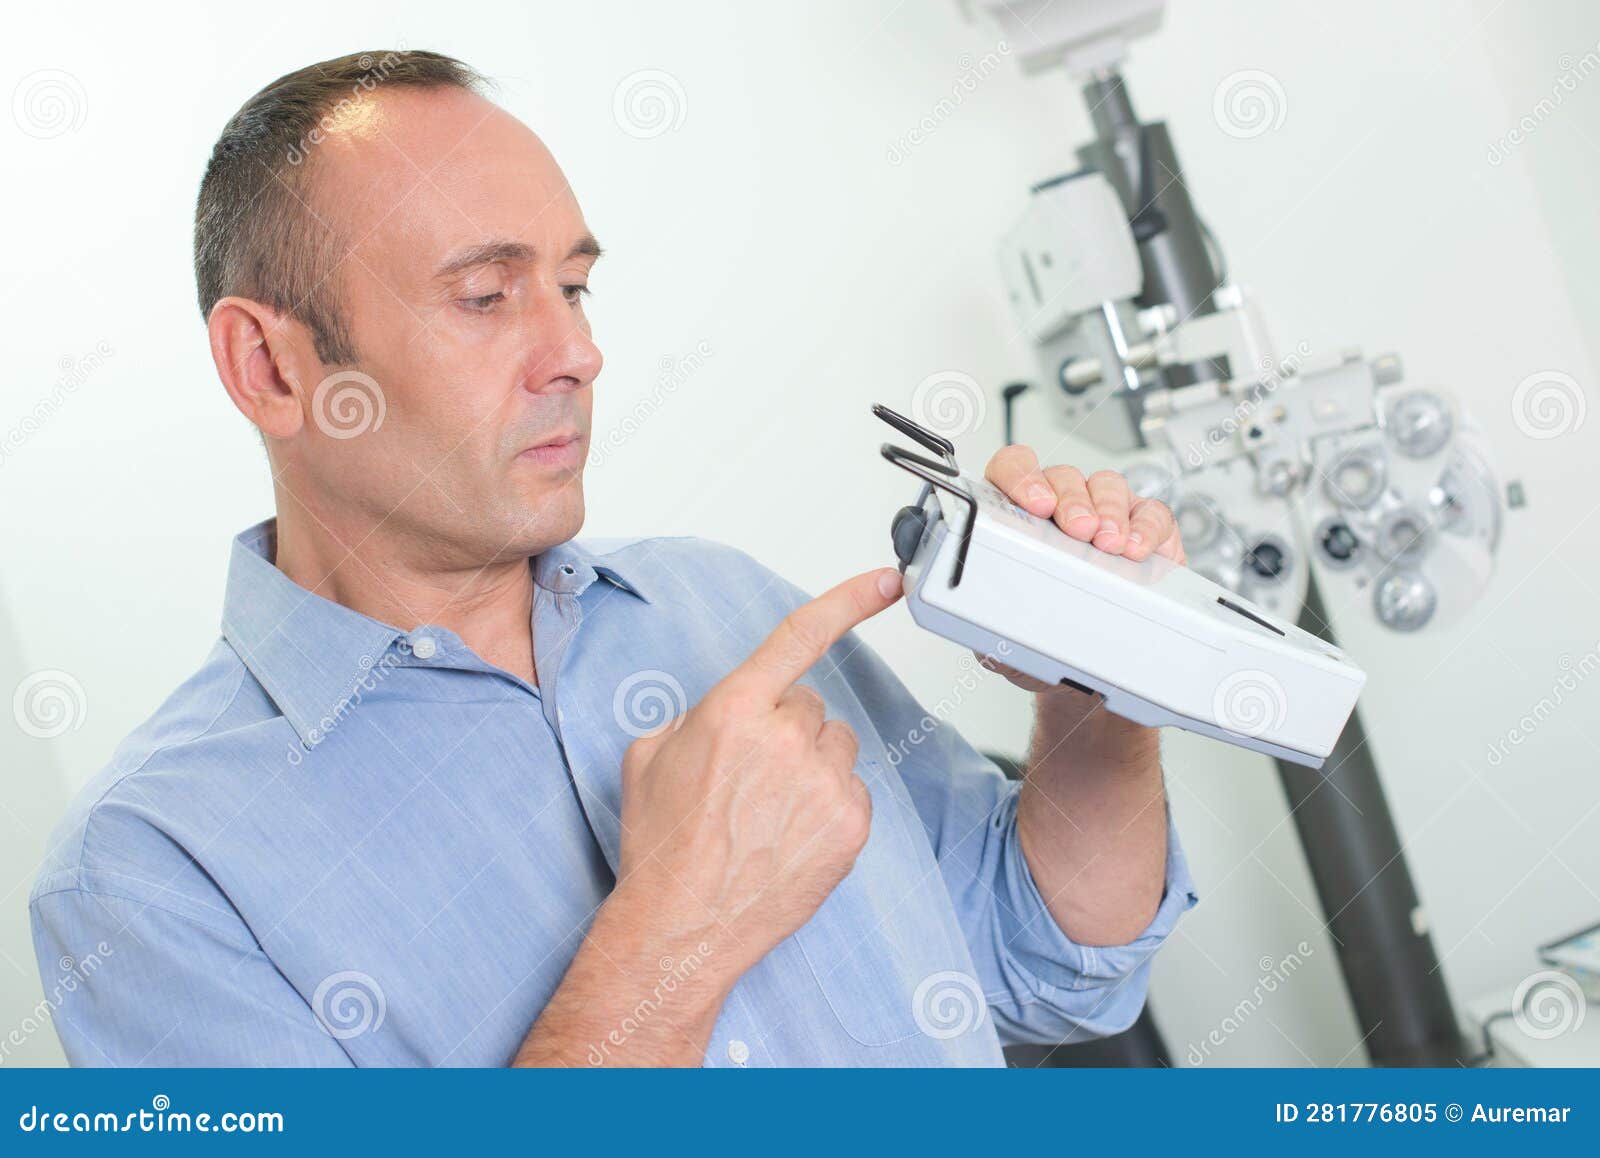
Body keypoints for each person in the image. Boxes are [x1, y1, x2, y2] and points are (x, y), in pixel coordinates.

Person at [30, 50, 1195, 1066]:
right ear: (272, 370)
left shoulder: (723, 606)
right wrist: (679, 933)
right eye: (484, 296)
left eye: (574, 287)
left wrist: (1095, 697)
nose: (577, 353)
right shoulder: (150, 874)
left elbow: (1049, 964)